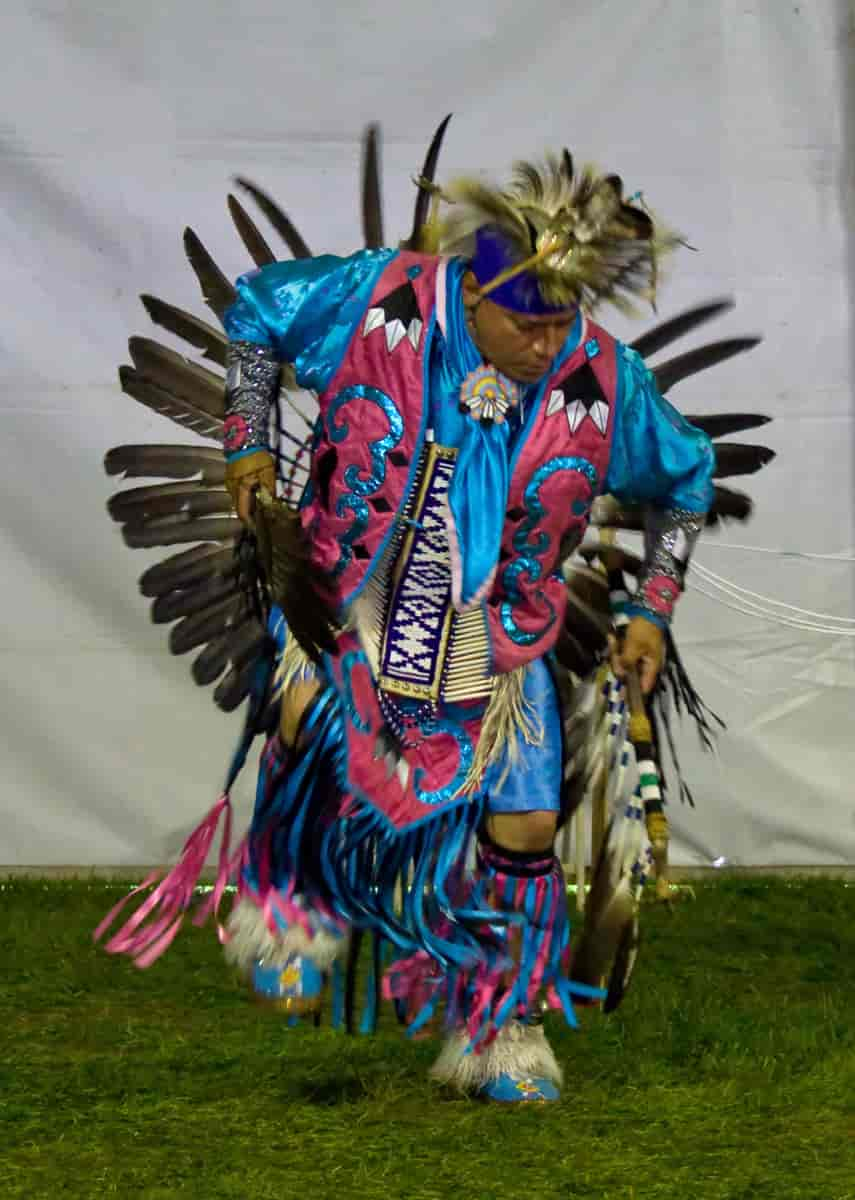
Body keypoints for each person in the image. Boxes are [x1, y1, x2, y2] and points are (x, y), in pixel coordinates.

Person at [201, 150, 714, 1102]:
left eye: (561, 322)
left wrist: (651, 607)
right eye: (526, 323)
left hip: (494, 637)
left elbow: (687, 482)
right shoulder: (376, 300)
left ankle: (497, 1029)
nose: (544, 343)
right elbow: (255, 316)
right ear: (471, 293)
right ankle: (287, 911)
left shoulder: (600, 378)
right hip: (348, 597)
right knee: (311, 733)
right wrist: (245, 440)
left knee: (524, 823)